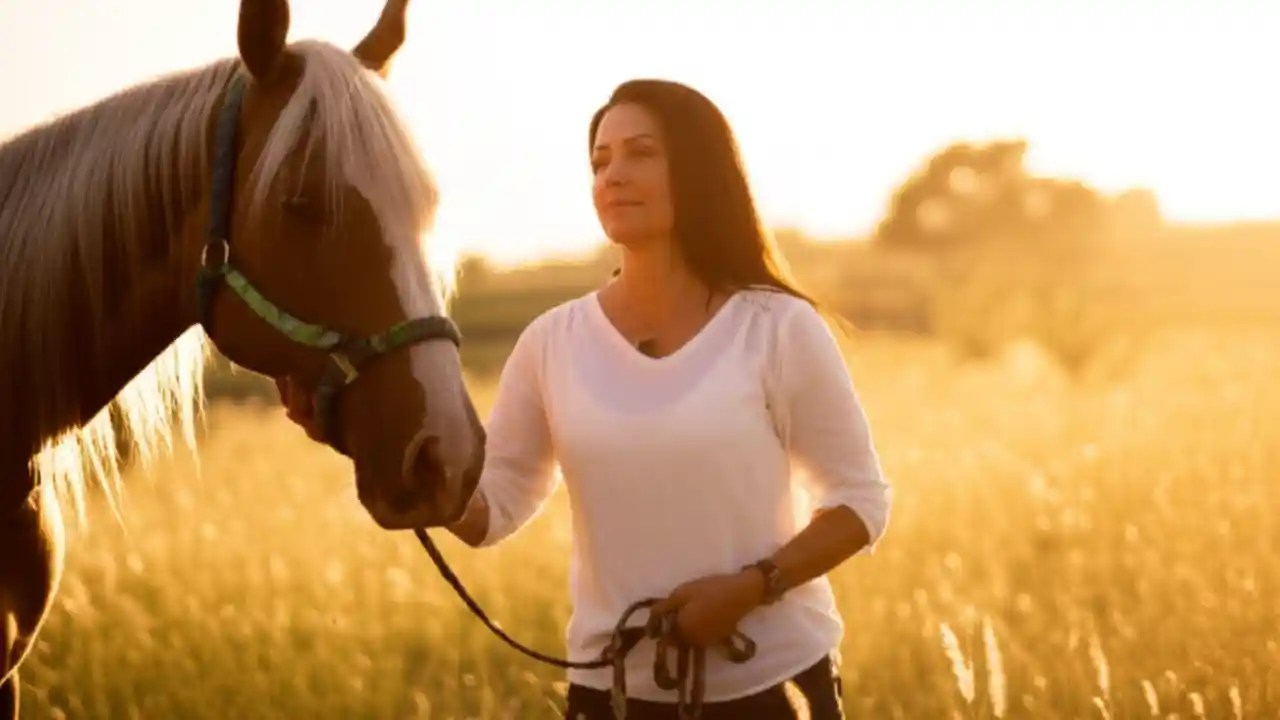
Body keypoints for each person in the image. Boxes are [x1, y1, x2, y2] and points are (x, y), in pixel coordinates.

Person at [277, 78, 892, 719]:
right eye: (600, 161)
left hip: (772, 689)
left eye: (640, 153)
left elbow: (859, 502)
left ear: (699, 168)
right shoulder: (553, 342)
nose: (614, 175)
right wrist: (355, 438)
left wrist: (750, 588)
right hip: (610, 696)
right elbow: (491, 511)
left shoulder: (776, 328)